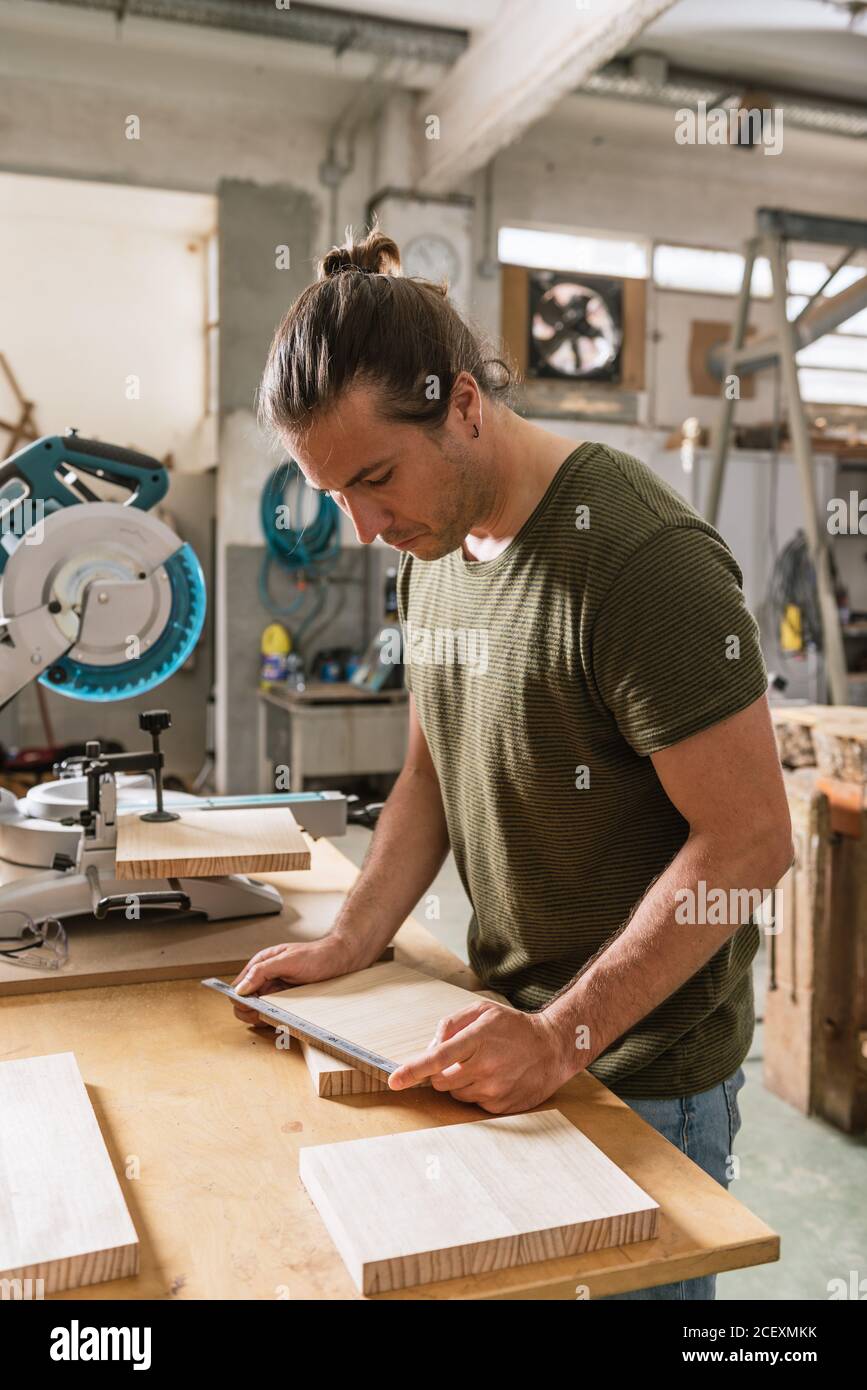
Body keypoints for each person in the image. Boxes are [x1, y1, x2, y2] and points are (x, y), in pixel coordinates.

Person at [233, 228, 793, 1300]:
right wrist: (351, 937)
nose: (364, 526)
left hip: (641, 1076)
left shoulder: (638, 562)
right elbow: (430, 777)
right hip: (504, 1041)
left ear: (462, 406)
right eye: (335, 495)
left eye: (377, 479)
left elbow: (754, 841)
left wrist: (561, 1034)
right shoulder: (434, 558)